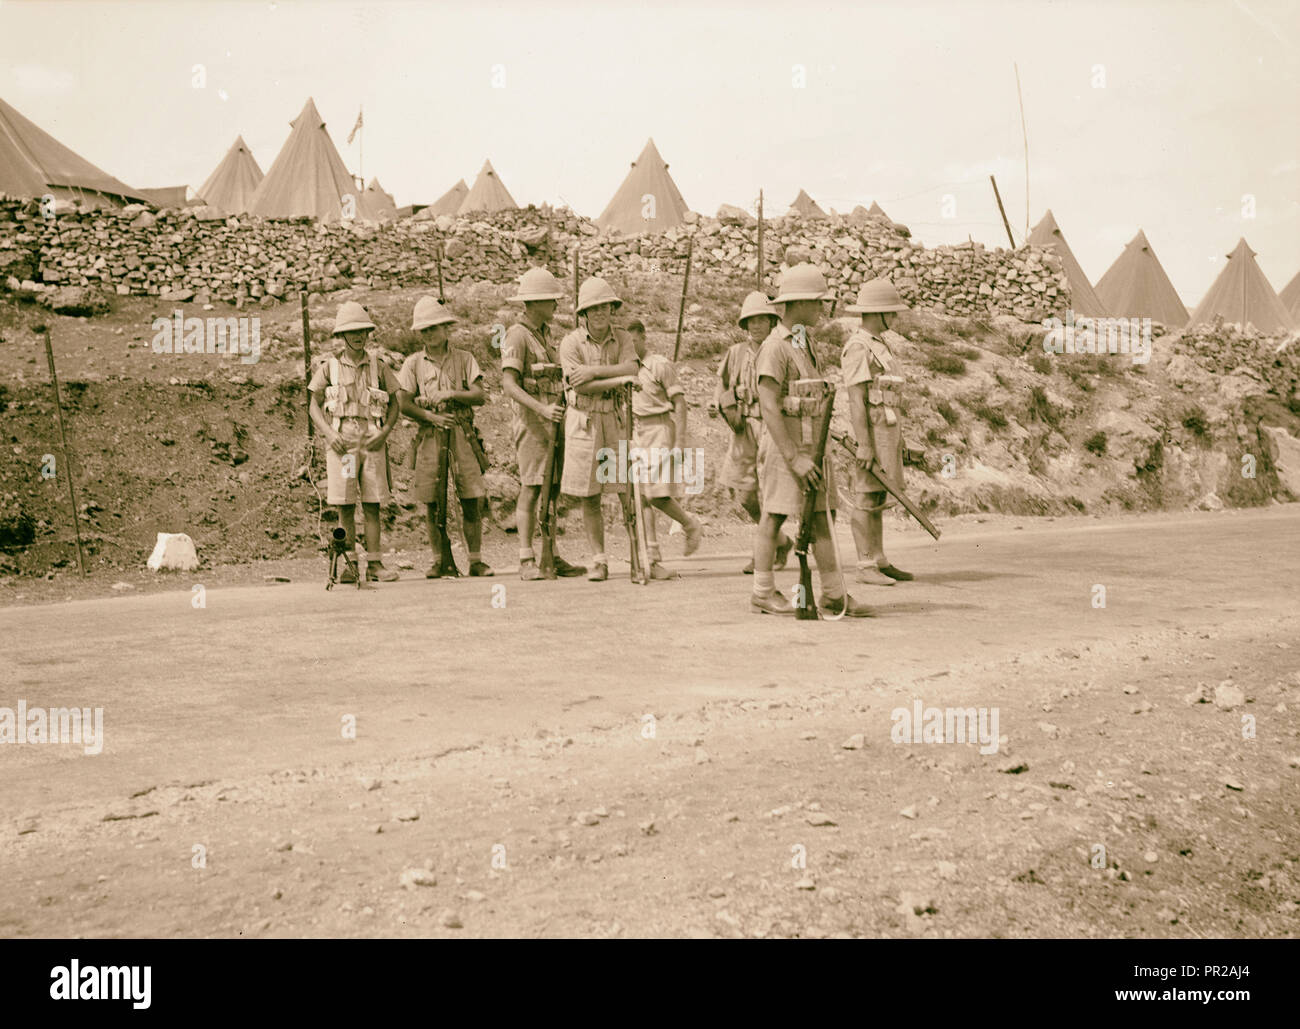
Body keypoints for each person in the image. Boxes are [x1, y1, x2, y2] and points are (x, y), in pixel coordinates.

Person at [752, 264, 872, 617]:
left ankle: (833, 595)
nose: (822, 309)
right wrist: (794, 458)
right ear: (799, 303)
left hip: (812, 447)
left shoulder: (805, 343)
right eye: (817, 302)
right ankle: (762, 592)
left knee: (821, 517)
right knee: (774, 517)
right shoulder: (775, 347)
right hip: (784, 448)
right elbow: (768, 405)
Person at [395, 296, 492, 578]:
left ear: (445, 328)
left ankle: (475, 560)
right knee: (432, 499)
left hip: (462, 432)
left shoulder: (464, 359)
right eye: (424, 329)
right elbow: (403, 403)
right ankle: (439, 560)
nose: (429, 333)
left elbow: (479, 395)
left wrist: (451, 393)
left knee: (471, 497)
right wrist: (431, 417)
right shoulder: (413, 364)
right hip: (430, 434)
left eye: (434, 327)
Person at [308, 300, 403, 583]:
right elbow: (313, 405)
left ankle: (374, 564)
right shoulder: (330, 367)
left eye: (362, 331)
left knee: (373, 504)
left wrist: (385, 432)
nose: (358, 336)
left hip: (371, 439)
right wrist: (329, 434)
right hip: (344, 442)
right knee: (346, 504)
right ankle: (349, 565)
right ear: (342, 335)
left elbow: (396, 403)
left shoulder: (378, 366)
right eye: (352, 331)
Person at [500, 268, 586, 580]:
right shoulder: (517, 335)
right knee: (532, 486)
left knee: (551, 489)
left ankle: (552, 552)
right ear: (535, 303)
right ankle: (526, 557)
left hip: (554, 422)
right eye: (550, 300)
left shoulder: (545, 334)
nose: (555, 305)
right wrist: (541, 409)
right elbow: (509, 384)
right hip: (533, 423)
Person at [558, 276, 641, 582]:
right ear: (584, 313)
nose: (600, 313)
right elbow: (578, 384)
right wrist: (619, 379)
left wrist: (593, 371)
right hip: (585, 421)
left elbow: (632, 368)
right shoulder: (570, 343)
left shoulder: (623, 338)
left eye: (605, 307)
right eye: (593, 308)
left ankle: (638, 555)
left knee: (626, 491)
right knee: (589, 495)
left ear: (612, 309)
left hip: (614, 419)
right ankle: (599, 560)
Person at [710, 291, 793, 574]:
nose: (756, 325)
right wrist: (723, 405)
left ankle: (763, 551)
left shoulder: (781, 349)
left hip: (771, 427)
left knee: (770, 494)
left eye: (762, 320)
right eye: (751, 321)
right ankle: (780, 541)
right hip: (744, 429)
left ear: (772, 321)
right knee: (745, 496)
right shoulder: (736, 353)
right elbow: (721, 386)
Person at [842, 278, 913, 583]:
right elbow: (856, 399)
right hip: (870, 433)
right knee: (865, 498)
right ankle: (865, 565)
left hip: (886, 430)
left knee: (878, 494)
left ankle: (879, 559)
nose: (895, 317)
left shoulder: (878, 344)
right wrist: (864, 444)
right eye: (891, 312)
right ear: (877, 313)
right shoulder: (858, 347)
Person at [626, 320, 702, 579]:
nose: (630, 347)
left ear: (643, 338)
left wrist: (679, 441)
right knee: (641, 497)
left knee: (656, 495)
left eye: (634, 341)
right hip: (635, 431)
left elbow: (680, 403)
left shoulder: (658, 365)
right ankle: (652, 558)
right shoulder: (624, 368)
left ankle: (689, 524)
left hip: (659, 428)